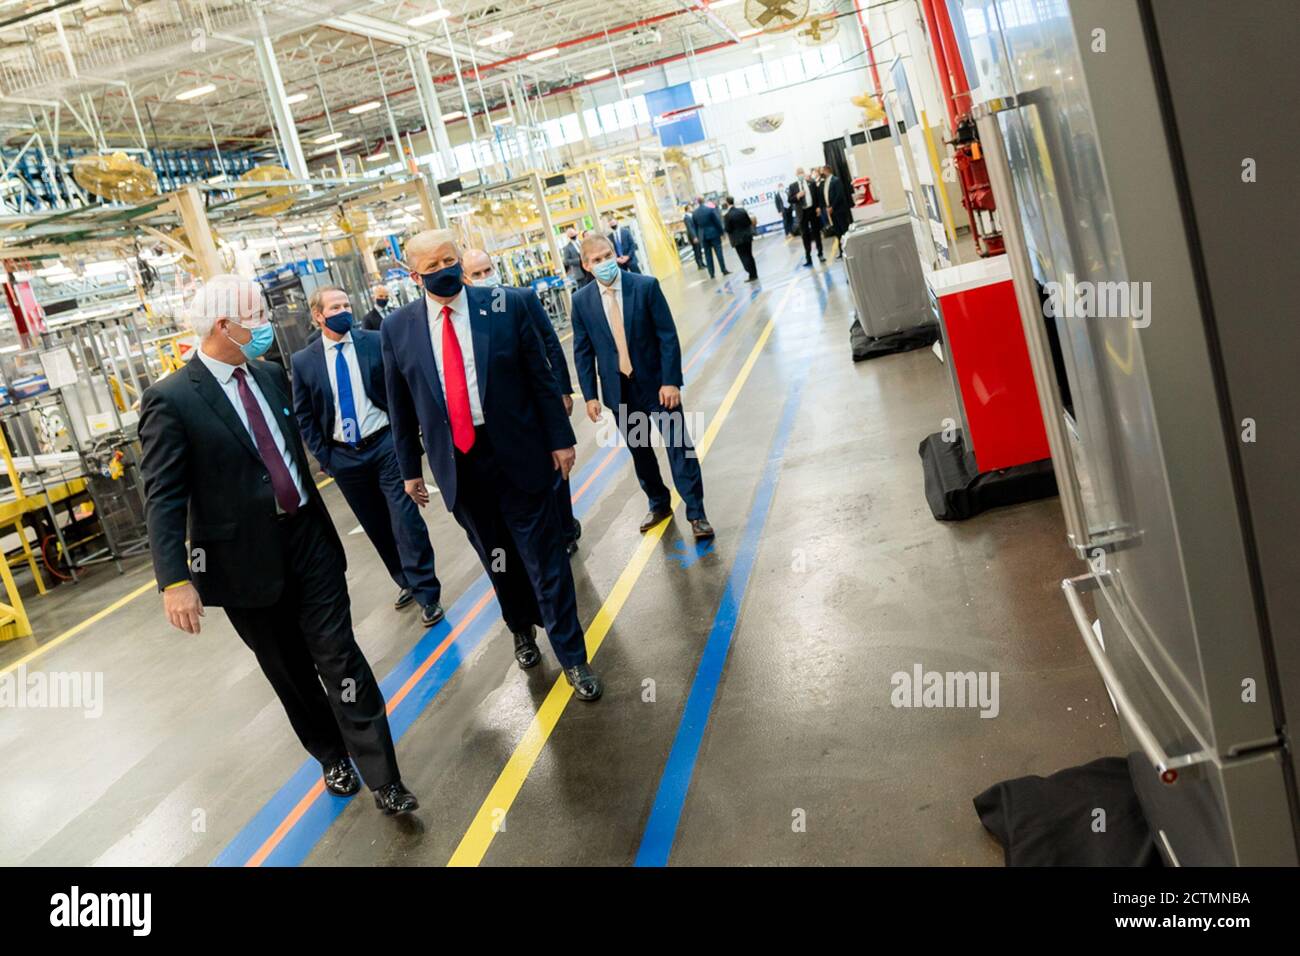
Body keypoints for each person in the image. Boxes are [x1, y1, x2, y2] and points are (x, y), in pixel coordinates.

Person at [139, 274, 417, 815]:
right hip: (243, 563)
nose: (266, 327)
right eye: (257, 319)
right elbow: (163, 498)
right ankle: (330, 753)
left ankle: (384, 776)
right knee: (289, 669)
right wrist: (175, 579)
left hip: (308, 539)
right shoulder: (170, 401)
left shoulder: (268, 375)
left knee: (339, 657)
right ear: (225, 326)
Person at [381, 230, 603, 700]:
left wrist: (560, 440)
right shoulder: (398, 328)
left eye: (450, 258)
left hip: (519, 453)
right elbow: (400, 404)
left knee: (546, 559)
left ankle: (574, 658)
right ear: (412, 273)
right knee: (497, 558)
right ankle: (520, 629)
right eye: (432, 263)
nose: (444, 268)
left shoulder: (508, 305)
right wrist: (410, 469)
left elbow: (540, 378)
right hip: (459, 465)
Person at [290, 286, 444, 627]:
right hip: (344, 457)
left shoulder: (373, 342)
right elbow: (305, 416)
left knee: (406, 519)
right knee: (376, 524)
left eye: (346, 303)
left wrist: (408, 440)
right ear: (318, 316)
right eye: (335, 306)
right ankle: (404, 579)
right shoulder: (303, 362)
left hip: (386, 444)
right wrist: (326, 458)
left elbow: (399, 391)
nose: (344, 310)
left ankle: (426, 593)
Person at [571, 235, 713, 540]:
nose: (604, 262)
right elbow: (583, 351)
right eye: (596, 259)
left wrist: (671, 380)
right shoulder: (581, 301)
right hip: (621, 391)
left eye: (607, 255)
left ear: (616, 254)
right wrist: (590, 395)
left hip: (658, 388)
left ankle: (697, 514)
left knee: (679, 448)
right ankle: (659, 502)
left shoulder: (644, 286)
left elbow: (667, 336)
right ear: (586, 265)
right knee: (641, 451)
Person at [461, 247, 582, 556]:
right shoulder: (468, 316)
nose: (486, 278)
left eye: (488, 270)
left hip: (539, 399)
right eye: (477, 275)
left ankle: (566, 530)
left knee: (556, 468)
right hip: (509, 413)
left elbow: (551, 344)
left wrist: (563, 390)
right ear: (465, 279)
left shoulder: (522, 298)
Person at [721, 195, 759, 283]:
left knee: (744, 257)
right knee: (750, 255)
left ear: (727, 202)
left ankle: (750, 272)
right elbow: (749, 222)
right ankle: (754, 274)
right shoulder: (742, 211)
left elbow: (728, 229)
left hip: (737, 240)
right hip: (747, 237)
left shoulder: (727, 215)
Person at [690, 196, 729, 279]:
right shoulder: (710, 210)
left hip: (703, 236)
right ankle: (723, 270)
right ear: (703, 201)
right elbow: (717, 222)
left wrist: (697, 236)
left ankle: (711, 273)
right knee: (719, 252)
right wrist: (722, 232)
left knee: (708, 255)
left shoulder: (695, 213)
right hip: (714, 233)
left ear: (697, 202)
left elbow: (695, 227)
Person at [823, 165, 852, 257]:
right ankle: (842, 251)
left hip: (838, 210)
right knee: (838, 232)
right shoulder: (826, 182)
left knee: (844, 230)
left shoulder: (836, 180)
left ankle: (849, 249)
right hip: (831, 211)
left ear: (827, 170)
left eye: (823, 171)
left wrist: (832, 207)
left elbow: (839, 195)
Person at [560, 224, 592, 289]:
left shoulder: (582, 242)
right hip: (579, 273)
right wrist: (578, 260)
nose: (573, 236)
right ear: (568, 236)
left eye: (574, 234)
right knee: (584, 289)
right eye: (571, 235)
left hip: (589, 270)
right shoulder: (567, 248)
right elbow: (566, 261)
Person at [682, 203, 705, 269]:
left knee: (699, 249)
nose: (692, 208)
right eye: (690, 207)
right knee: (696, 250)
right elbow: (690, 228)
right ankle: (699, 265)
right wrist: (694, 237)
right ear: (687, 209)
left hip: (697, 235)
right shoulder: (686, 217)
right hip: (693, 237)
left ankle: (702, 263)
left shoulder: (691, 215)